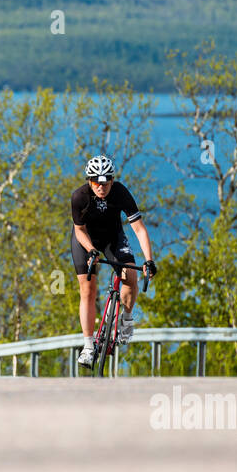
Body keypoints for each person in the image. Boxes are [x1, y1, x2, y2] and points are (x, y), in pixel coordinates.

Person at [71, 154, 156, 368]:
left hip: (112, 237)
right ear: (90, 181)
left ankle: (126, 319)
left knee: (131, 275)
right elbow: (79, 230)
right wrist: (91, 250)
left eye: (106, 183)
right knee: (88, 290)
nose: (101, 187)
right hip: (86, 239)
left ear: (111, 181)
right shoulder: (80, 197)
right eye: (97, 183)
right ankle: (89, 347)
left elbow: (139, 228)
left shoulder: (120, 192)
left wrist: (149, 260)